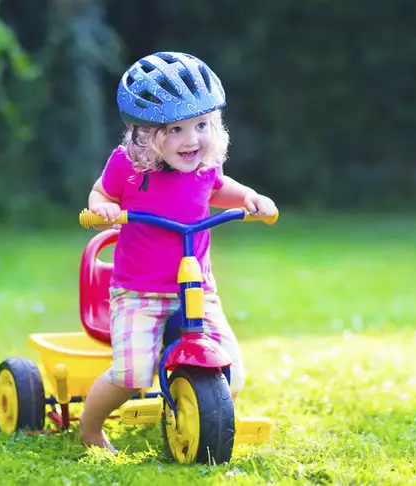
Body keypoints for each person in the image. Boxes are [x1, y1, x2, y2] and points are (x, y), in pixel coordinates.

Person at [79, 51, 277, 453]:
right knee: (132, 374)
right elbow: (103, 191)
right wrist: (102, 207)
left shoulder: (204, 165)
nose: (192, 139)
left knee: (232, 372)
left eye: (201, 125)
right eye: (175, 129)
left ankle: (199, 415)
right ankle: (90, 428)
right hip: (140, 292)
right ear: (145, 134)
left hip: (196, 288)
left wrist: (252, 197)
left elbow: (219, 189)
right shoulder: (129, 164)